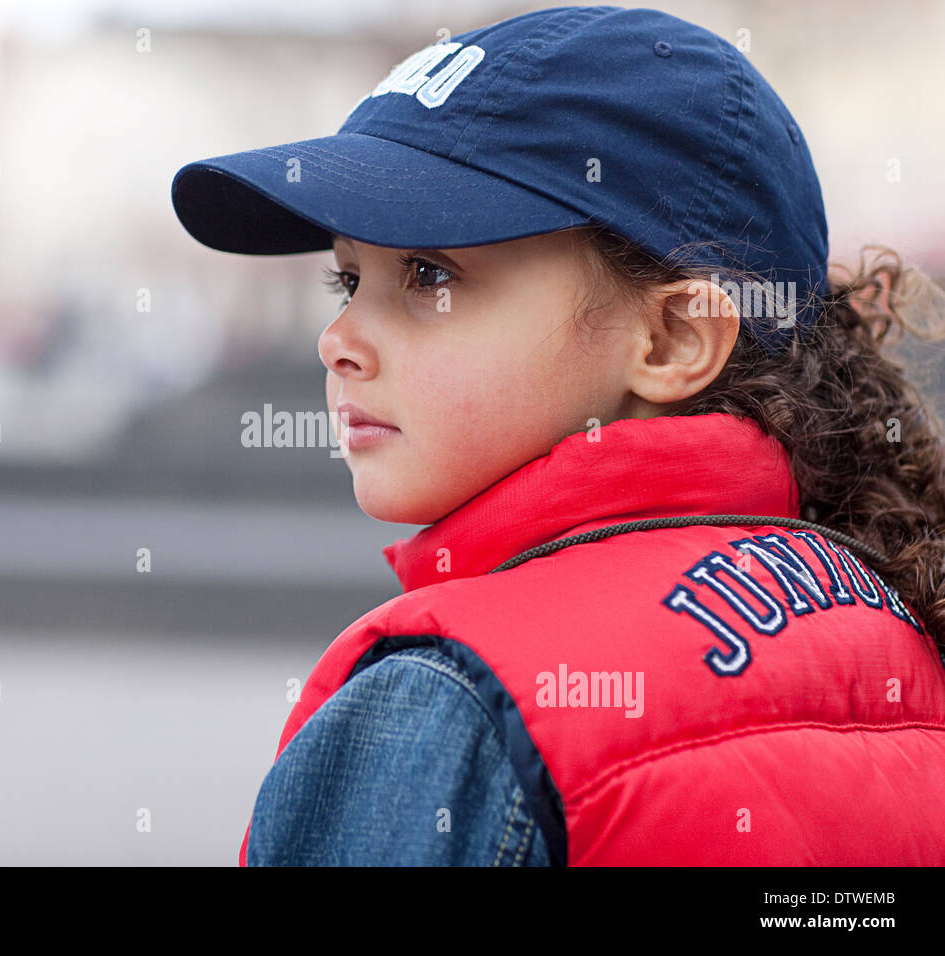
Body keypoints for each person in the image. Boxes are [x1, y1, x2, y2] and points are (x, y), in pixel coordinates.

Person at [170, 5, 945, 865]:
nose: (338, 340)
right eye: (347, 279)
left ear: (672, 340)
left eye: (431, 274)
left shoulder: (452, 706)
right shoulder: (894, 624)